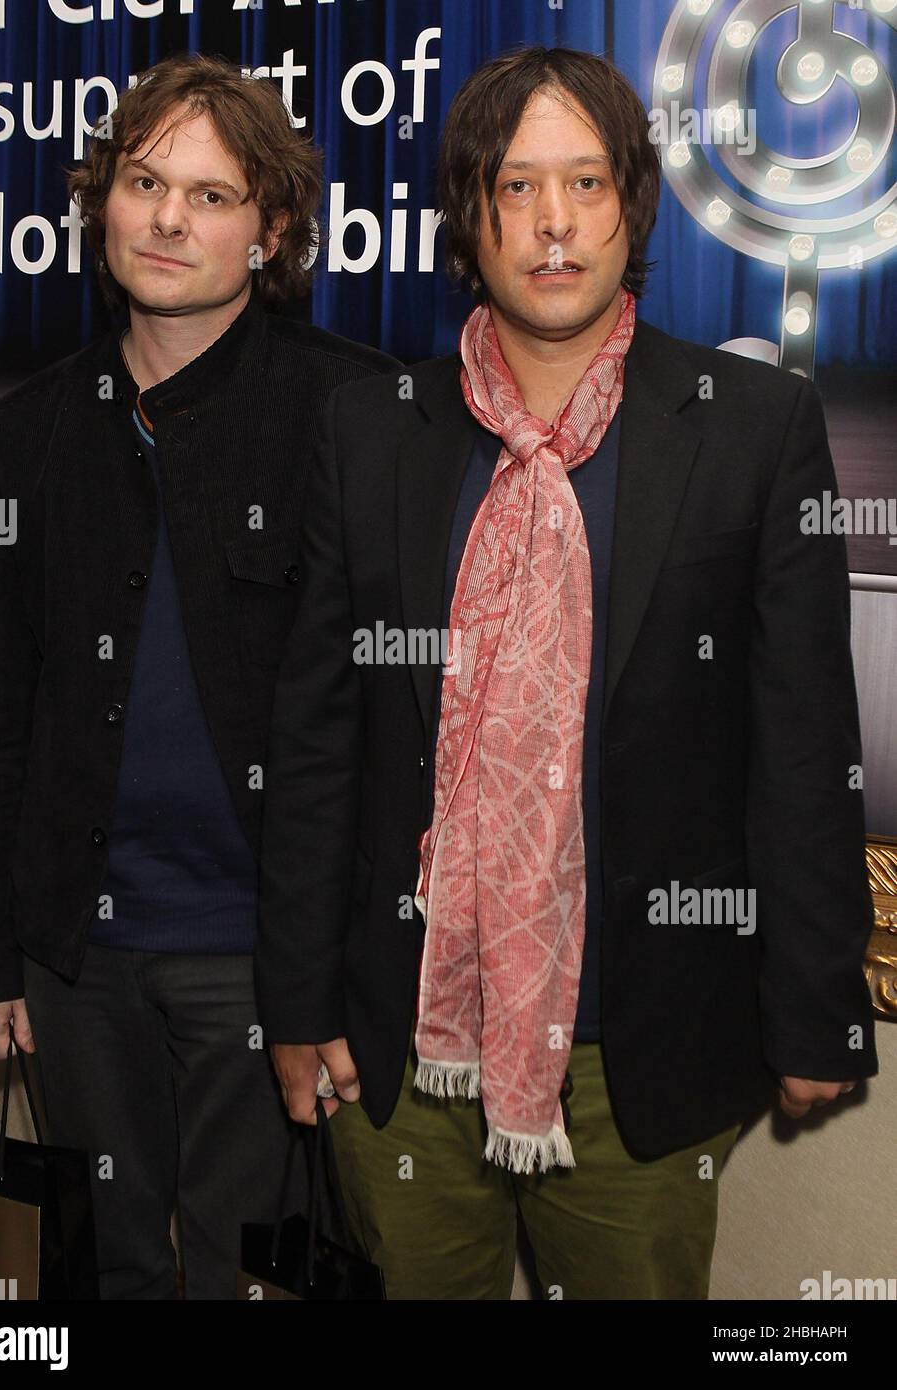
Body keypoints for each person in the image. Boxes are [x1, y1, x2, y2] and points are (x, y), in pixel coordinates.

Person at [255, 46, 878, 1300]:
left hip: (636, 1051)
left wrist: (818, 1010)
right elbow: (319, 739)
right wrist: (297, 1001)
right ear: (465, 220)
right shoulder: (370, 431)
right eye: (513, 186)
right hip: (406, 1047)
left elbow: (803, 744)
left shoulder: (751, 430)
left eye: (584, 183)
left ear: (631, 204)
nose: (551, 225)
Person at [0, 51, 399, 1300]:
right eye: (144, 182)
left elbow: (390, 722)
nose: (168, 218)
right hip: (75, 959)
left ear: (274, 230)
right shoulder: (23, 430)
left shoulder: (349, 413)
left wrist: (356, 964)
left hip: (270, 963)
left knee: (253, 1282)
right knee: (99, 1272)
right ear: (103, 202)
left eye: (210, 194)